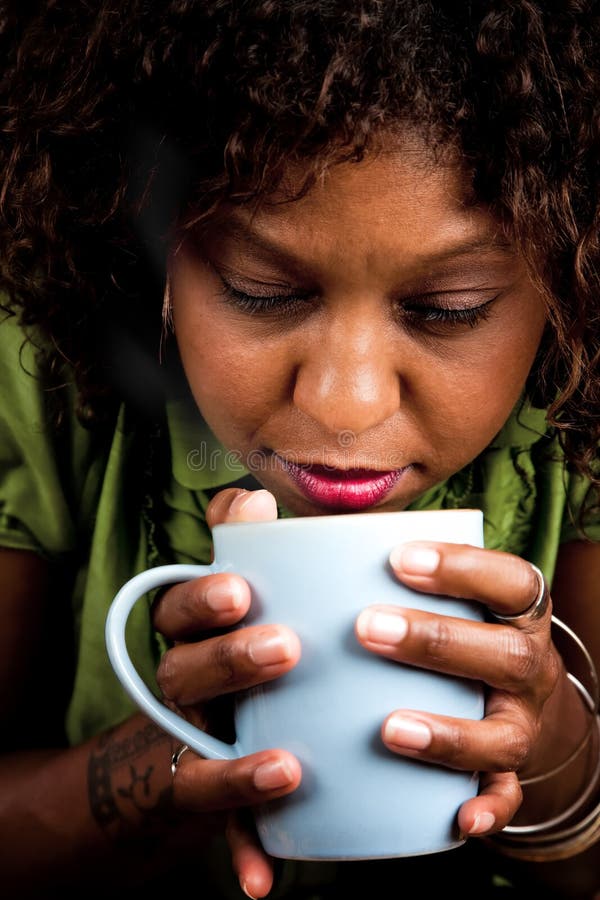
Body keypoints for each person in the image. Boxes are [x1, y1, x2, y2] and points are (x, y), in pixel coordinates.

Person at [0, 1, 599, 898]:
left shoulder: (581, 416)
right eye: (262, 289)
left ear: (565, 277)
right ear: (155, 239)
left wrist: (544, 734)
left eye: (451, 308)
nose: (348, 405)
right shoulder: (39, 371)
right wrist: (180, 757)